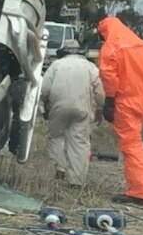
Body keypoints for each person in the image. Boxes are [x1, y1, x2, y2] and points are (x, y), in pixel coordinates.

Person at [96, 16, 143, 206]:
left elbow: (109, 76)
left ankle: (139, 192)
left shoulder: (111, 48)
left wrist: (109, 100)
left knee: (130, 144)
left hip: (125, 102)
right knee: (135, 140)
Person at [40, 39, 103, 185]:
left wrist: (43, 106)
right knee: (79, 142)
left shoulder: (56, 65)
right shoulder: (90, 66)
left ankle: (60, 168)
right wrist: (99, 108)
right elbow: (99, 91)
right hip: (83, 108)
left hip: (58, 107)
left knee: (56, 137)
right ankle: (77, 181)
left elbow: (44, 89)